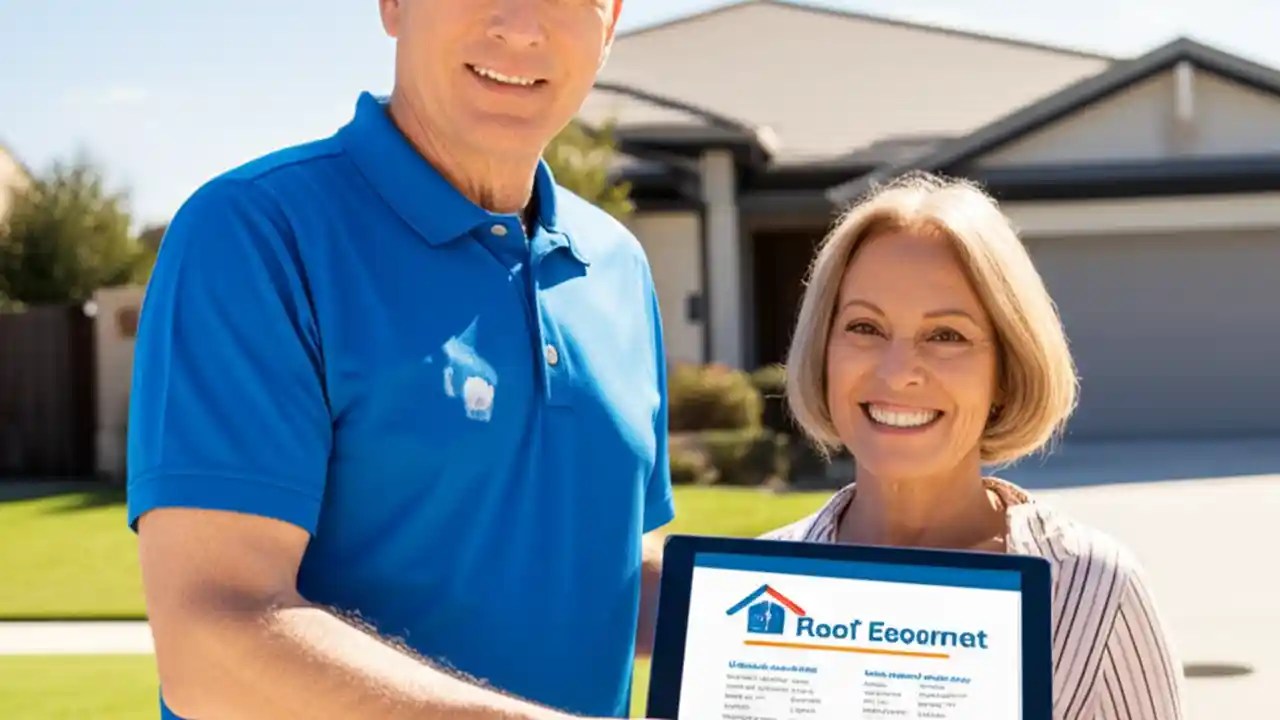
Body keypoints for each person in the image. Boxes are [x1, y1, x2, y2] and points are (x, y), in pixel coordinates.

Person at [126, 2, 673, 719]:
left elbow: (608, 581)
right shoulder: (256, 233)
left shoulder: (616, 266)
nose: (519, 25)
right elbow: (212, 644)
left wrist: (847, 595)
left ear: (609, 26)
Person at [762, 172, 1186, 719]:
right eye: (865, 327)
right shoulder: (754, 589)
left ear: (1005, 371)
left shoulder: (1093, 591)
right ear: (823, 349)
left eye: (946, 336)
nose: (898, 373)